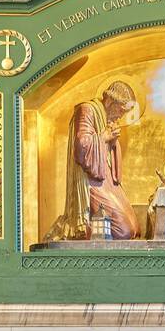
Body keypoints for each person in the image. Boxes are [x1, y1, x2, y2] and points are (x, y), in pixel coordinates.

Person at [44, 81, 143, 241]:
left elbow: (107, 150)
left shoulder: (106, 117)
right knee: (123, 230)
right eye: (120, 110)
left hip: (106, 177)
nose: (120, 116)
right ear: (111, 101)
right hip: (90, 180)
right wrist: (104, 136)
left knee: (135, 229)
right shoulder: (87, 110)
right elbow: (81, 145)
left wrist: (111, 142)